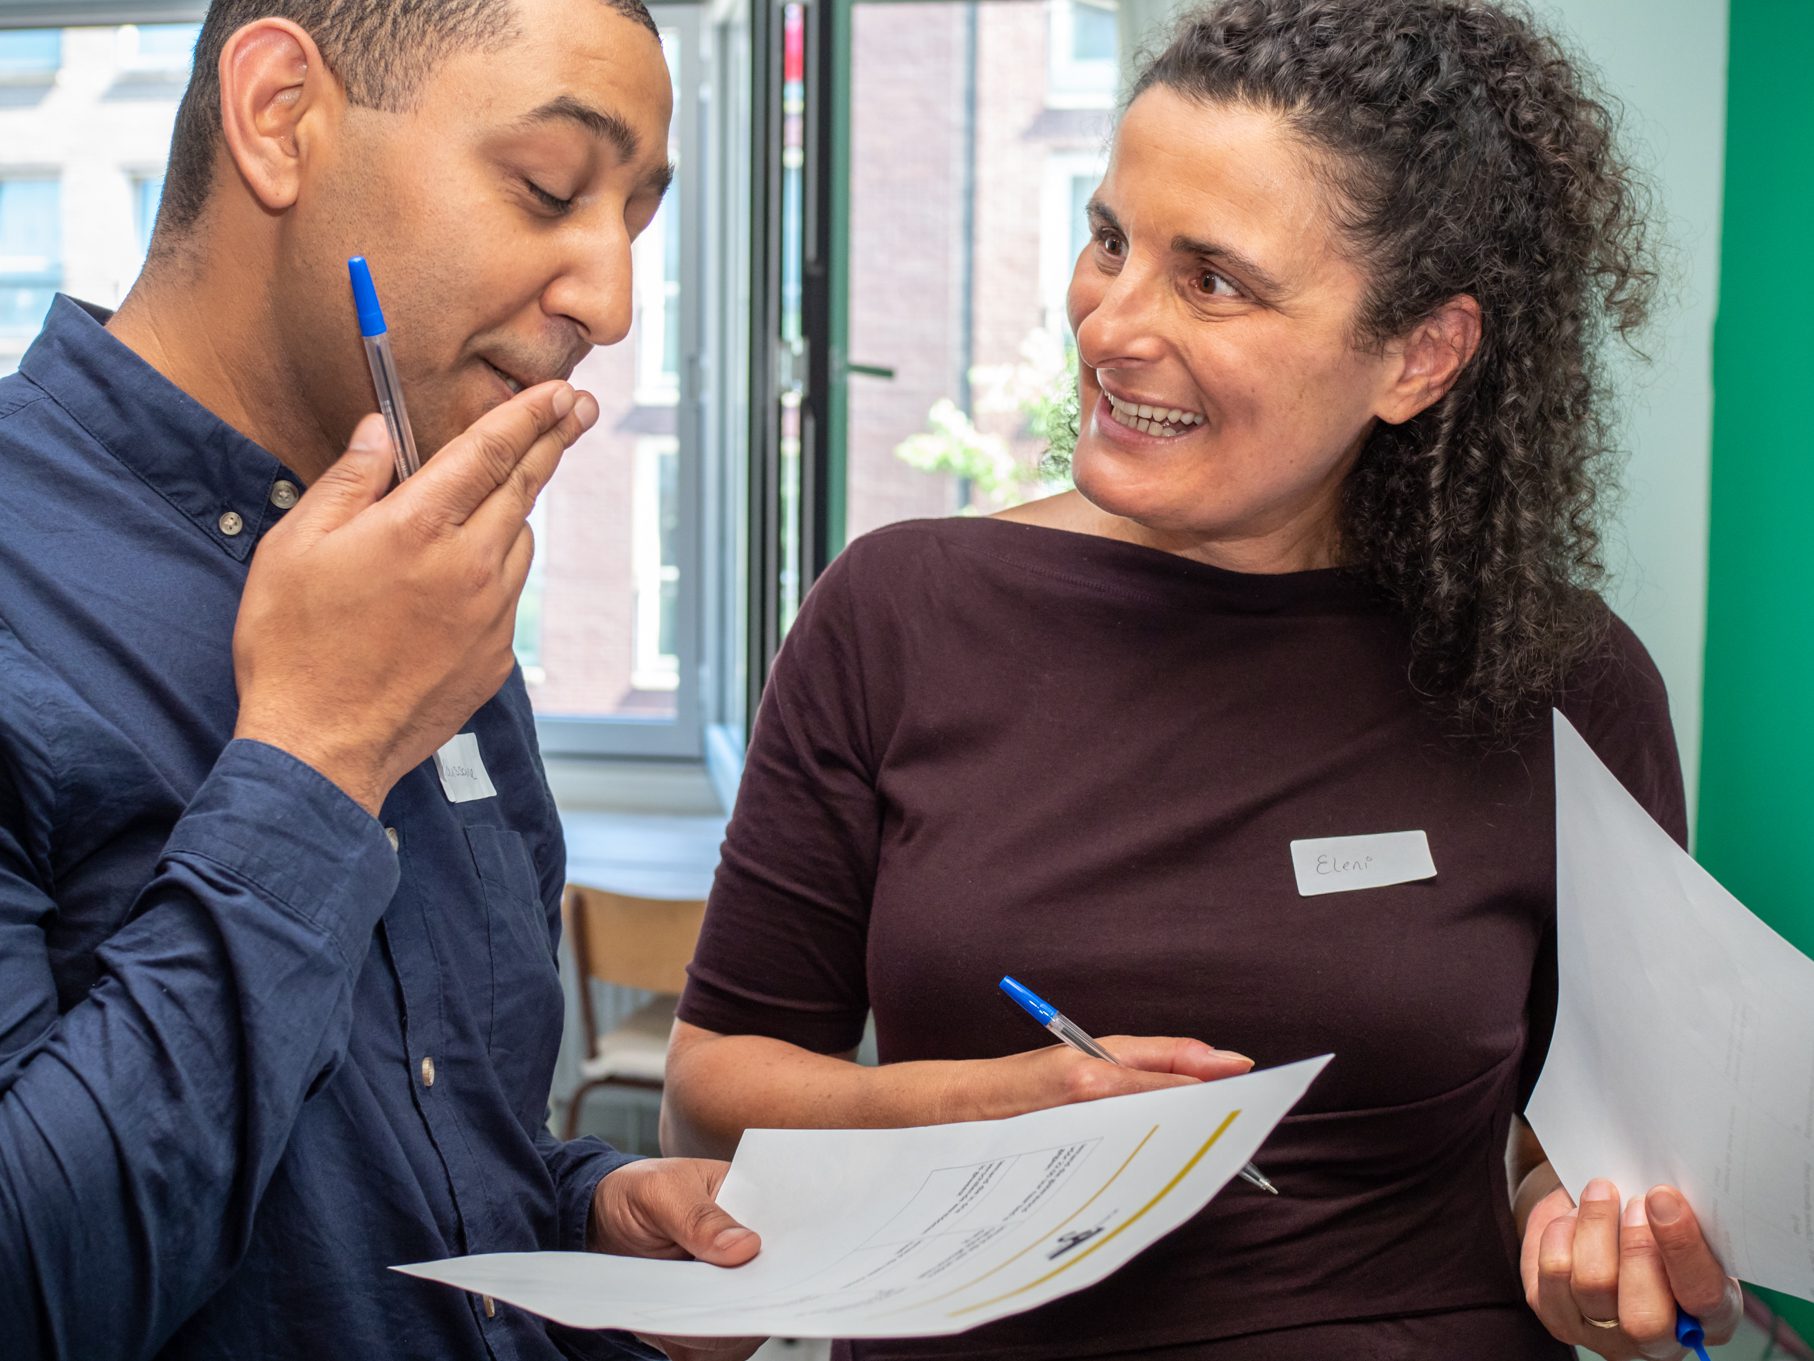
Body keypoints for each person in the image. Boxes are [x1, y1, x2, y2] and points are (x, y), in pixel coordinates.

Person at [663, 1, 1745, 1358]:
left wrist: (1591, 1261)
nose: (1109, 323)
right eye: (1108, 239)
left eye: (1211, 279)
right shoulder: (898, 612)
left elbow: (1560, 1161)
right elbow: (709, 1094)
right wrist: (971, 1107)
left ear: (1420, 355)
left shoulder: (1562, 680)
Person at [0, 3, 762, 1359]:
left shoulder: (430, 564)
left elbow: (432, 1138)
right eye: (546, 189)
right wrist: (317, 757)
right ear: (281, 115)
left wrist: (583, 1218)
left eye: (635, 218)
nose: (612, 300)